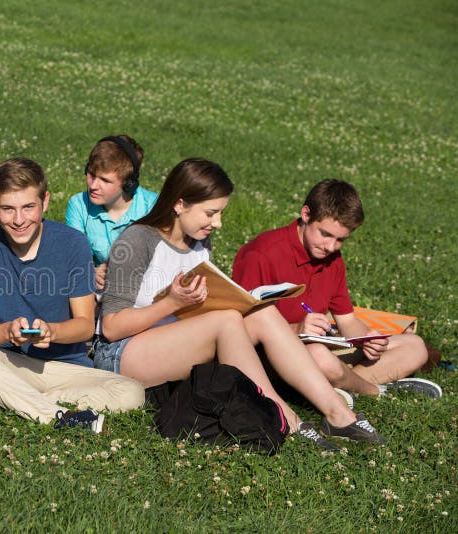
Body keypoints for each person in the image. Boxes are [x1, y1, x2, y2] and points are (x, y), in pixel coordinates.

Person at [94, 158, 387, 450]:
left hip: (172, 344)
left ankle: (338, 414)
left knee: (262, 312)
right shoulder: (137, 240)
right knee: (226, 321)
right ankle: (287, 419)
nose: (218, 223)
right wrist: (171, 302)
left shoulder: (198, 243)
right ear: (180, 204)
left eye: (220, 213)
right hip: (121, 354)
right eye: (211, 213)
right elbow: (110, 328)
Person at [0, 157, 145, 432]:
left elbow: (84, 326)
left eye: (28, 207)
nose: (19, 220)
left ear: (45, 201)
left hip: (65, 368)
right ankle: (59, 418)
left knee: (131, 391)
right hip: (9, 361)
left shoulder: (72, 243)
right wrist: (6, 332)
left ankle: (3, 396)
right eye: (8, 209)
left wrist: (51, 332)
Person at [232, 179, 440, 400]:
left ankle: (342, 386)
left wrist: (368, 340)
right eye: (325, 234)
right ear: (305, 214)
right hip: (273, 357)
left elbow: (347, 321)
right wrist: (296, 329)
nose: (331, 247)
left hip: (321, 349)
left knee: (415, 346)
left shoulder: (332, 259)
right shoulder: (262, 254)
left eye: (340, 240)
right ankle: (375, 391)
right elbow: (241, 331)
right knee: (320, 357)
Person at [65, 135, 158, 291]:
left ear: (129, 184)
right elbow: (72, 260)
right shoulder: (78, 205)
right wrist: (90, 274)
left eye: (105, 180)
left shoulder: (153, 206)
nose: (93, 186)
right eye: (91, 174)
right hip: (99, 293)